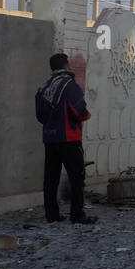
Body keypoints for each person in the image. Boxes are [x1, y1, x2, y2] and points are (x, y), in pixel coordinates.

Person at [35, 52, 95, 224]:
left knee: (50, 178)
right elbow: (79, 111)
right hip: (69, 138)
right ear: (66, 65)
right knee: (76, 177)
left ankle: (52, 215)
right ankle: (77, 215)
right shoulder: (70, 86)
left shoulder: (44, 87)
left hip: (49, 139)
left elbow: (39, 115)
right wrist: (86, 115)